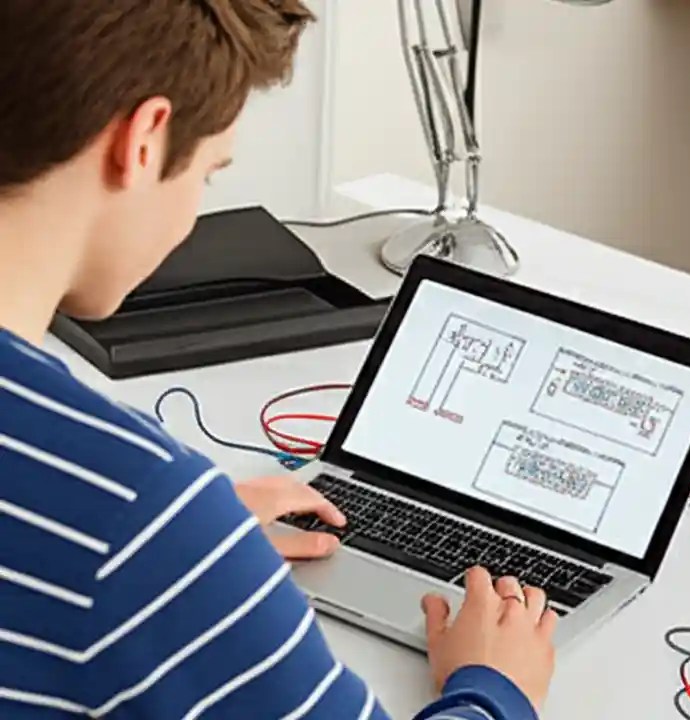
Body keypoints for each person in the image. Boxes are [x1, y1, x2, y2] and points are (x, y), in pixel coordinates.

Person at [0, 1, 555, 718]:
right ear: (142, 142)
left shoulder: (122, 516)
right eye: (210, 173)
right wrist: (495, 688)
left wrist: (190, 550)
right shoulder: (136, 517)